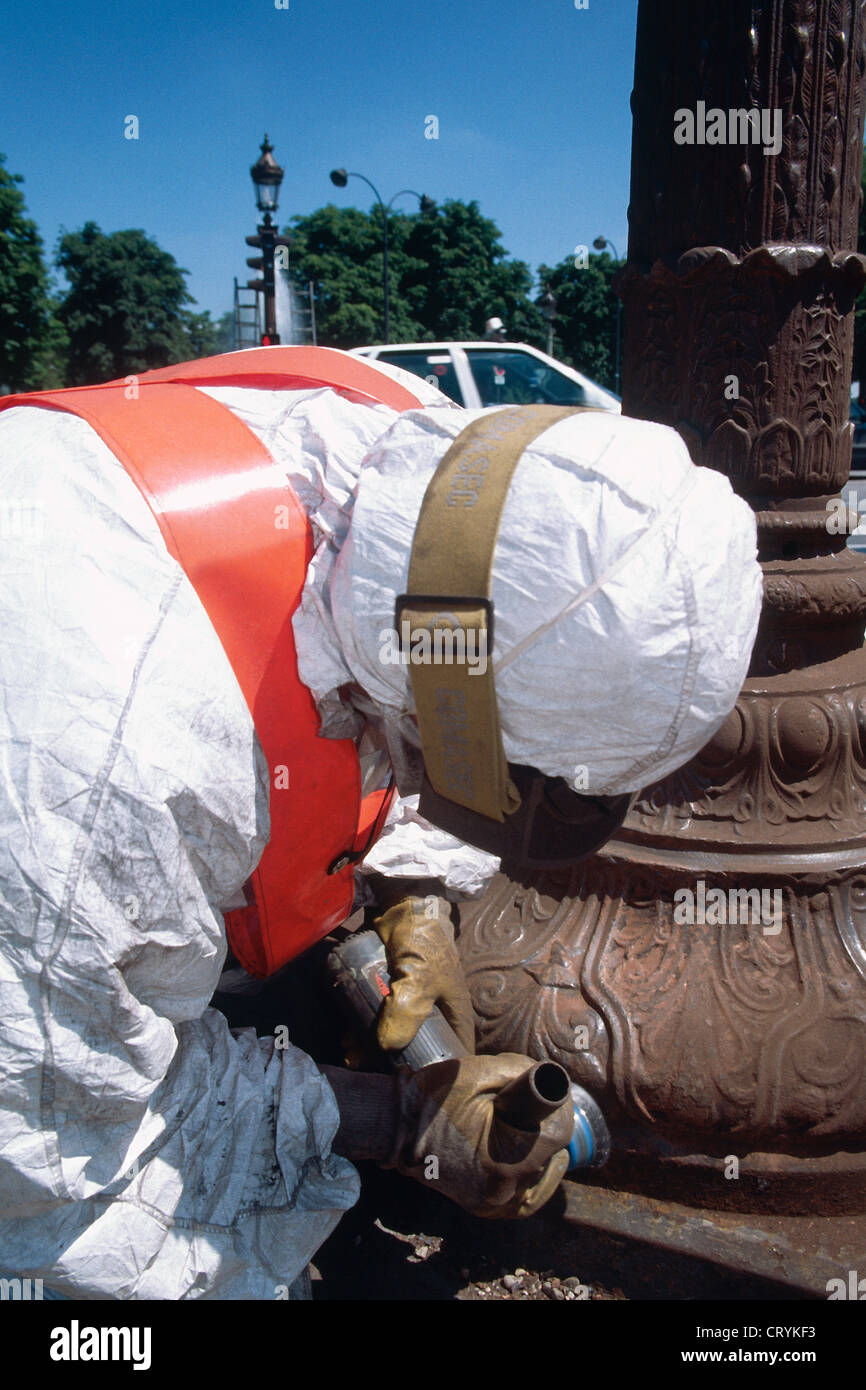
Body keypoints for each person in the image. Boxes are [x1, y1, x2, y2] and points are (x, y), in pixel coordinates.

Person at [0, 346, 762, 1299]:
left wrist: (415, 890)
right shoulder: (116, 762)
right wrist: (395, 1124)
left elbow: (410, 664)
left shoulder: (435, 489)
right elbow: (53, 1156)